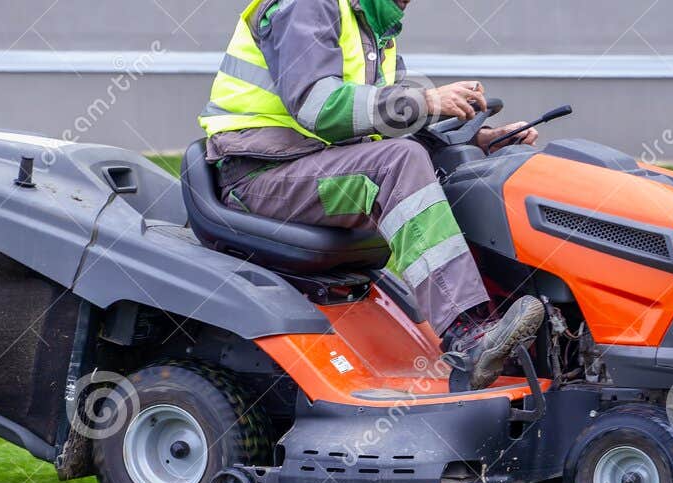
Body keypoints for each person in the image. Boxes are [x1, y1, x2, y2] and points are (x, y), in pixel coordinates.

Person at [200, 0, 544, 389]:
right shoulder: (307, 6)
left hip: (316, 167)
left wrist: (481, 141)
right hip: (261, 177)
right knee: (399, 163)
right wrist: (426, 100)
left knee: (458, 170)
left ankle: (517, 329)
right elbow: (318, 107)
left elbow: (389, 123)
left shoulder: (376, 27)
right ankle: (468, 334)